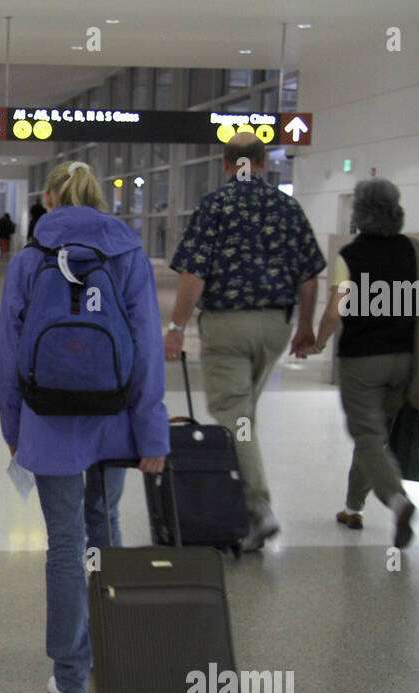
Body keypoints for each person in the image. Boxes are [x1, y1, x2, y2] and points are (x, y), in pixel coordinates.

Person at [0, 160, 168, 693]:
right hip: (114, 421)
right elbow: (146, 348)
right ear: (100, 200)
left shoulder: (29, 260)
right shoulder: (128, 255)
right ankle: (110, 658)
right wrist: (152, 432)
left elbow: (8, 354)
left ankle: (71, 677)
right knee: (105, 529)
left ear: (49, 200)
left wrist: (13, 426)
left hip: (49, 421)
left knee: (65, 544)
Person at [166, 132, 326, 552]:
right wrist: (306, 325)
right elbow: (309, 275)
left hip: (227, 327)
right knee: (244, 416)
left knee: (234, 415)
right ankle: (244, 511)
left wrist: (177, 325)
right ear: (262, 162)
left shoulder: (215, 205)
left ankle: (259, 509)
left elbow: (194, 272)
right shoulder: (288, 207)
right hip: (275, 326)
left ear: (225, 163)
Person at [310, 178, 419, 548]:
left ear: (358, 213)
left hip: (363, 361)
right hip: (404, 359)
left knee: (368, 435)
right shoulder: (411, 250)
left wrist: (318, 340)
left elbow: (335, 311)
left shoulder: (350, 256)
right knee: (376, 435)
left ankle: (398, 501)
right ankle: (353, 507)